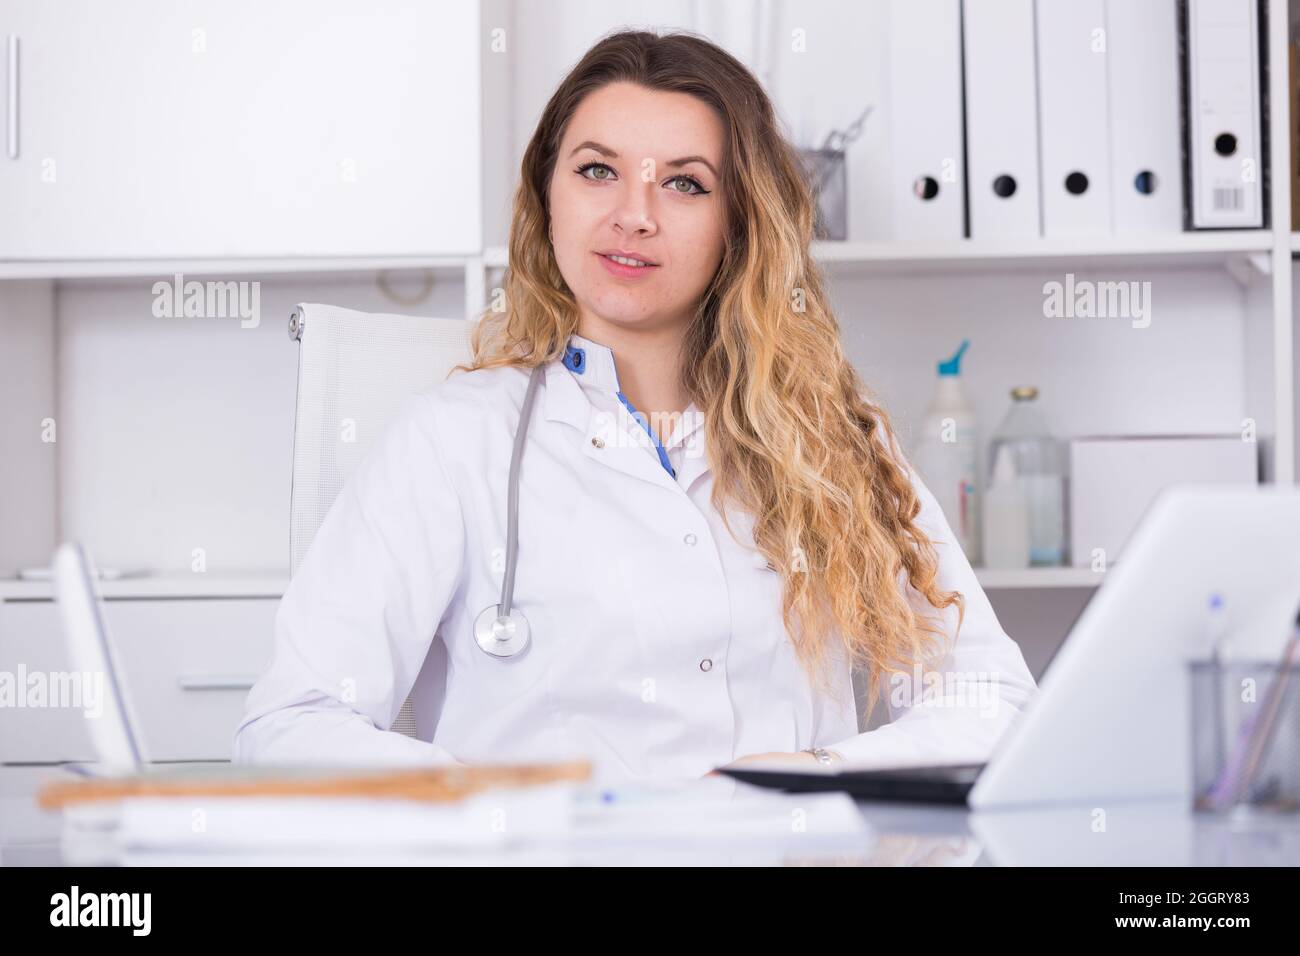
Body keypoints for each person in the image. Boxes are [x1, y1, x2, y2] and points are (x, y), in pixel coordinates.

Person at [233, 29, 1037, 785]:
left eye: (685, 183)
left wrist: (819, 774)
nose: (634, 214)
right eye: (596, 170)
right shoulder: (452, 440)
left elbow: (992, 702)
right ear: (547, 196)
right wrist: (503, 799)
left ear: (741, 224)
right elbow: (291, 725)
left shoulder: (830, 436)